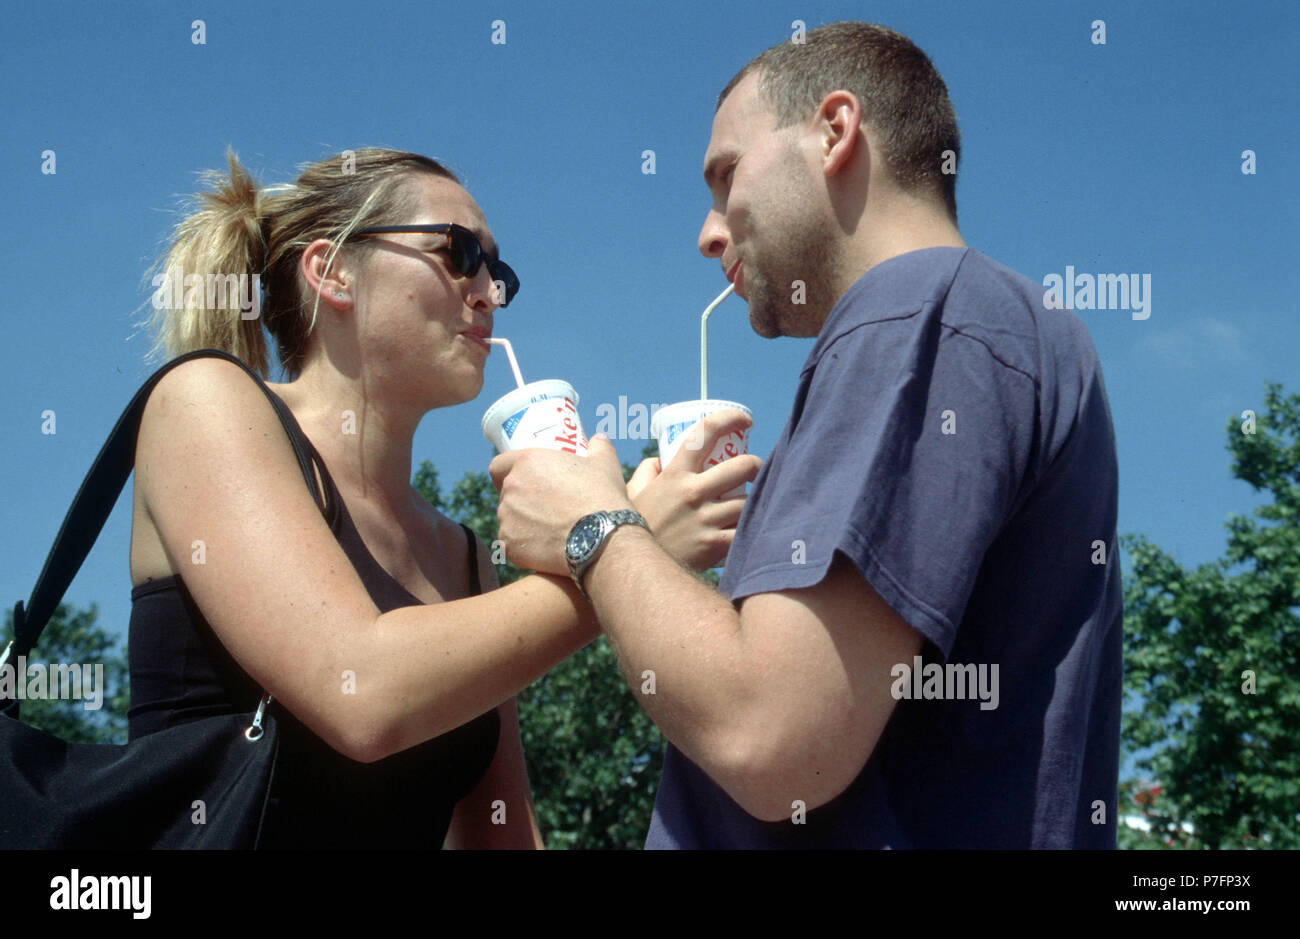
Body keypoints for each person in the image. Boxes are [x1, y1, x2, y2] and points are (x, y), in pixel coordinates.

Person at [490, 22, 1123, 848]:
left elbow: (772, 738)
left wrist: (594, 525)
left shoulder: (919, 310)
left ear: (834, 131)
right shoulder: (991, 323)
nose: (708, 232)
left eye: (726, 177)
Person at [128, 147, 757, 849]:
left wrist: (616, 546)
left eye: (500, 271)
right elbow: (360, 690)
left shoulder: (460, 555)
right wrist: (620, 544)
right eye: (458, 253)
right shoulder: (204, 401)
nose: (491, 291)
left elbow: (502, 834)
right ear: (331, 269)